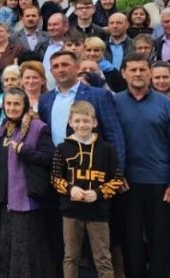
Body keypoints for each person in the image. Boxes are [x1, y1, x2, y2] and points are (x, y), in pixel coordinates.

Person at [112, 54, 170, 278]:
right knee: (131, 241)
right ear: (123, 73)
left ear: (149, 74)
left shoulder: (165, 104)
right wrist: (116, 175)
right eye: (132, 70)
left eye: (142, 70)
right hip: (127, 184)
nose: (137, 74)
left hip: (161, 184)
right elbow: (107, 143)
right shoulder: (114, 103)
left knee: (160, 242)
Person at [51, 101, 127, 278]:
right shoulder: (62, 149)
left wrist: (98, 193)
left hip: (98, 213)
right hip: (70, 212)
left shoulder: (107, 149)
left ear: (94, 123)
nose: (81, 125)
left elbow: (117, 180)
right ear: (70, 123)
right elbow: (55, 179)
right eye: (77, 121)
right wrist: (70, 189)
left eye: (86, 121)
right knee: (71, 257)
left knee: (103, 258)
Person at [0, 86, 55, 278]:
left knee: (26, 246)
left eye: (16, 104)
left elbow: (50, 158)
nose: (11, 108)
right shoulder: (3, 129)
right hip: (6, 198)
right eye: (8, 103)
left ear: (25, 105)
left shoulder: (38, 127)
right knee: (8, 243)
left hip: (26, 198)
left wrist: (24, 151)